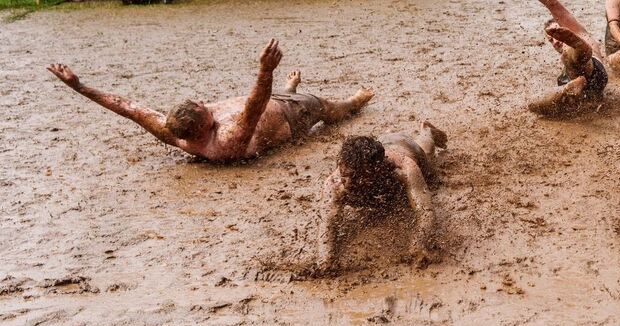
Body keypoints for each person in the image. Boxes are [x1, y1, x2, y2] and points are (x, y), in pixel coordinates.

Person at [47, 39, 373, 163]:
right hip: (291, 114)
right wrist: (264, 70)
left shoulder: (170, 130)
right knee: (331, 110)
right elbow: (253, 108)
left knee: (285, 93)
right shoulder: (226, 142)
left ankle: (290, 85)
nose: (206, 103)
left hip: (274, 100)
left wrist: (81, 87)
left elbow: (129, 108)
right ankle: (355, 101)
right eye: (206, 110)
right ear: (203, 128)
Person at [319, 123, 448, 270]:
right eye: (345, 175)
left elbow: (425, 211)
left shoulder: (404, 168)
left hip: (404, 146)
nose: (347, 184)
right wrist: (326, 259)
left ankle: (427, 131)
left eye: (355, 178)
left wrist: (419, 243)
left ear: (376, 171)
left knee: (428, 154)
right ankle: (389, 132)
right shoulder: (334, 184)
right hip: (376, 151)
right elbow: (327, 225)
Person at [497, 0, 608, 116]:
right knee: (536, 106)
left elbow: (552, 4)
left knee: (572, 54)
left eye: (557, 34)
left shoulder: (579, 32)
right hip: (588, 88)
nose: (555, 41)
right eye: (551, 40)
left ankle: (578, 48)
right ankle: (570, 92)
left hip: (594, 71)